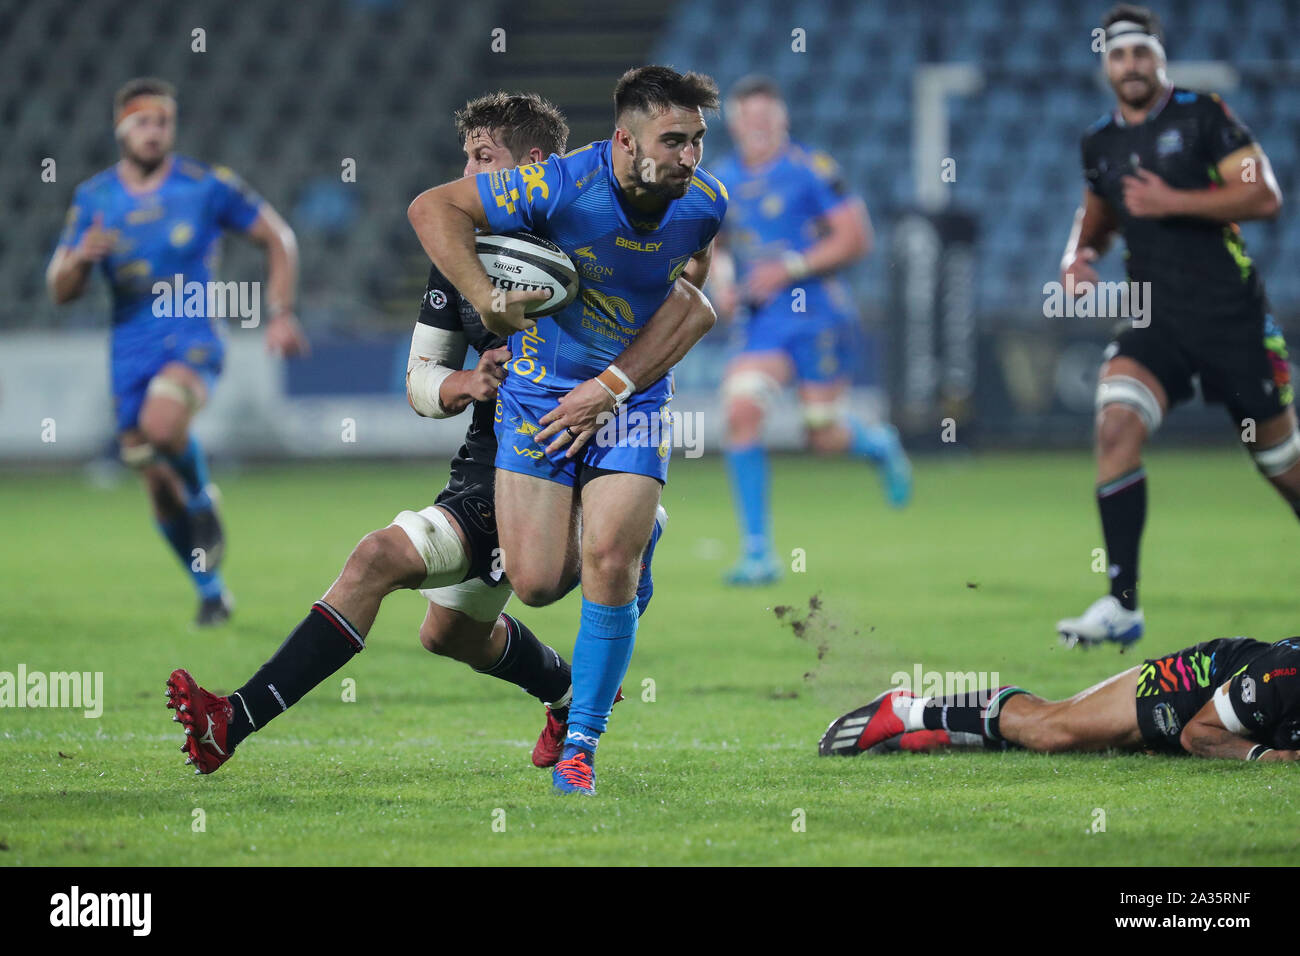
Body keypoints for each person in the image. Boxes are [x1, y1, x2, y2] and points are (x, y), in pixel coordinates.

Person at [166, 92, 717, 776]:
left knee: (377, 560)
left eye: (483, 158)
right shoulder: (458, 252)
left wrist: (613, 387)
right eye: (465, 157)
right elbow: (421, 380)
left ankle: (233, 720)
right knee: (449, 634)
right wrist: (466, 384)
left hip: (554, 457)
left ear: (533, 167)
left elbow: (687, 295)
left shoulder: (585, 225)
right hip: (487, 456)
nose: (467, 171)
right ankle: (567, 689)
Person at [408, 65, 726, 794]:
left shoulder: (705, 204)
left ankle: (581, 746)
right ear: (623, 142)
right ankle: (638, 533)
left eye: (698, 141)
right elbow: (432, 210)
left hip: (629, 401)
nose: (689, 157)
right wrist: (485, 297)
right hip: (535, 401)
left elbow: (690, 295)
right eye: (673, 140)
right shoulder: (556, 185)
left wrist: (611, 387)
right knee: (539, 581)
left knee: (611, 559)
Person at [1056, 5, 1288, 648]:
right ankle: (1121, 602)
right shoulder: (1100, 142)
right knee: (1115, 423)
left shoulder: (1203, 116)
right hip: (1155, 317)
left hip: (1230, 317)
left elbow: (1264, 194)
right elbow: (1096, 214)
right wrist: (1078, 257)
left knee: (1282, 464)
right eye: (1117, 55)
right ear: (1106, 64)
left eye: (1140, 53)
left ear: (1160, 59)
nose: (1129, 65)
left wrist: (1175, 201)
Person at [46, 77, 308, 626]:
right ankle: (211, 589)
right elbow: (60, 291)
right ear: (121, 128)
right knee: (155, 484)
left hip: (189, 337)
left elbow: (278, 238)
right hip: (129, 350)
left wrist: (281, 313)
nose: (155, 131)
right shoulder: (94, 198)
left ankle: (204, 497)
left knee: (164, 426)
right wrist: (79, 261)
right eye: (143, 121)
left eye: (163, 121)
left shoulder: (204, 185)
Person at [707, 75, 911, 587]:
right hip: (763, 324)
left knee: (823, 435)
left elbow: (856, 237)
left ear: (783, 121)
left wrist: (792, 266)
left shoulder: (811, 170)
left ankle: (877, 444)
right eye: (747, 118)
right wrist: (725, 284)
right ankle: (758, 553)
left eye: (765, 118)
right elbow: (718, 247)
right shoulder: (720, 178)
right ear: (733, 122)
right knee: (741, 412)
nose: (756, 127)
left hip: (818, 314)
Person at [820, 635, 1300, 762]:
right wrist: (1265, 757)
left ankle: (935, 736)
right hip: (1191, 683)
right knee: (1051, 729)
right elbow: (1201, 732)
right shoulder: (1284, 674)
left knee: (1081, 742)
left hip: (1233, 697)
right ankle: (907, 709)